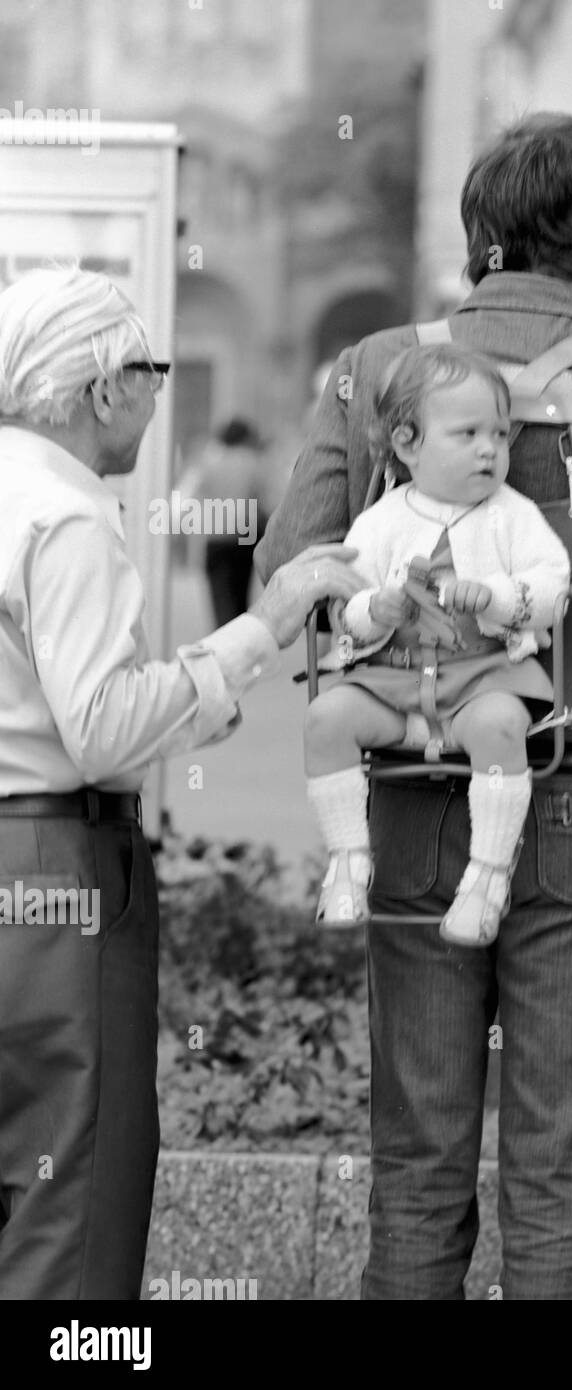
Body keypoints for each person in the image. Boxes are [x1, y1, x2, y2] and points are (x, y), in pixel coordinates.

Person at [255, 113, 572, 1300]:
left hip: (418, 780)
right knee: (559, 1168)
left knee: (419, 1151)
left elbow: (287, 559)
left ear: (476, 238)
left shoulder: (376, 365)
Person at [0, 266, 364, 1298]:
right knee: (77, 1194)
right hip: (54, 863)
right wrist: (261, 628)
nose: (159, 394)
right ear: (105, 387)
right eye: (151, 370)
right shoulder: (65, 512)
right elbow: (104, 730)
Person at [304, 344, 570, 940]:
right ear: (407, 444)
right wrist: (378, 607)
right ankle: (348, 860)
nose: (489, 449)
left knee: (503, 726)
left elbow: (554, 588)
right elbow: (344, 608)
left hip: (481, 678)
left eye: (500, 435)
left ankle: (487, 878)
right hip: (394, 684)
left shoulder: (513, 514)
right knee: (326, 719)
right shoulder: (382, 520)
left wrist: (497, 596)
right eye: (468, 432)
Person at [178, 417, 275, 627]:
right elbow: (263, 504)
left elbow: (191, 497)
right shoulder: (252, 462)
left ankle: (222, 645)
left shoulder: (209, 463)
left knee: (220, 602)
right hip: (244, 541)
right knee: (240, 601)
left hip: (216, 541)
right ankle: (239, 645)